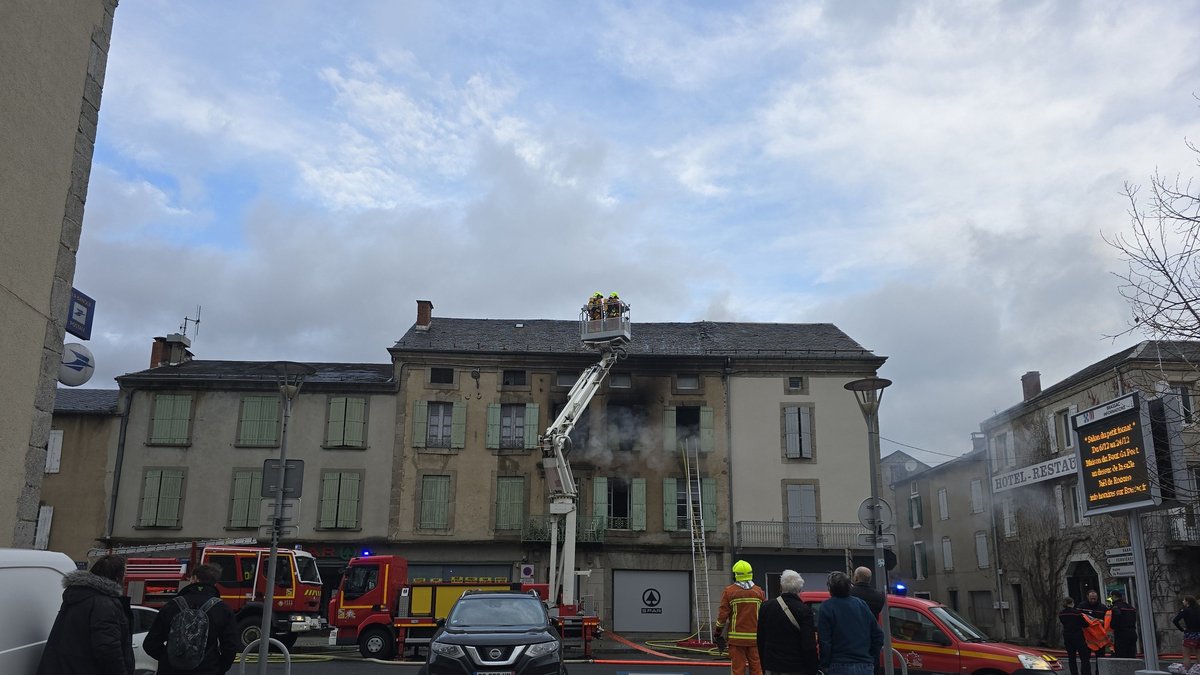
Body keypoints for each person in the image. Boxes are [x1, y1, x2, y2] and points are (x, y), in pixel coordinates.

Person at [37, 554, 135, 675]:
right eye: (124, 574)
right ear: (116, 577)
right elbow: (108, 649)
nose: (125, 578)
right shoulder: (104, 604)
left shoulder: (78, 595)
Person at [144, 563, 238, 675]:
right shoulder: (223, 609)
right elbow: (230, 647)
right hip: (208, 669)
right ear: (215, 583)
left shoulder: (172, 605)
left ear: (194, 578)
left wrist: (168, 659)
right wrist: (217, 667)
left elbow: (150, 644)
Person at [817, 571, 884, 675]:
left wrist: (825, 664)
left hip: (838, 664)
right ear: (849, 586)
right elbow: (878, 635)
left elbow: (825, 641)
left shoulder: (826, 607)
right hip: (864, 665)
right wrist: (872, 658)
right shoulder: (861, 604)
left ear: (830, 588)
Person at [757, 570, 819, 675]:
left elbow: (761, 640)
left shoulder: (766, 607)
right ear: (800, 589)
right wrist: (812, 669)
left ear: (781, 587)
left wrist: (764, 666)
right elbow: (809, 645)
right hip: (796, 667)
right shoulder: (804, 611)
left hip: (772, 666)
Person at [715, 560, 765, 675]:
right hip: (755, 639)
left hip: (736, 640)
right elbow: (764, 614)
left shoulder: (729, 591)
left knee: (738, 670)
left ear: (735, 575)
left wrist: (717, 633)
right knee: (757, 670)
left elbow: (722, 616)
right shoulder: (759, 592)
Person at [1060, 597, 1093, 675]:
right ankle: (1085, 673)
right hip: (1077, 636)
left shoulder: (1061, 613)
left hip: (1067, 636)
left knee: (1071, 658)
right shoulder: (1077, 613)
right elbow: (1085, 624)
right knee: (1084, 657)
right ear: (1072, 603)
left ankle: (1074, 673)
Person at [1078, 590, 1109, 658]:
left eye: (1094, 598)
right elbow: (1078, 619)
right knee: (1085, 657)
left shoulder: (1102, 607)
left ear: (1097, 597)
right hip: (1086, 636)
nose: (1093, 600)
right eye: (1091, 598)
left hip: (1098, 636)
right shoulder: (1082, 606)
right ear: (1087, 597)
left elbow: (1108, 620)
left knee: (1100, 657)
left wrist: (1103, 621)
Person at [1107, 590, 1138, 658]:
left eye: (1111, 597)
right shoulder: (1130, 607)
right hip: (1132, 633)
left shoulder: (1116, 607)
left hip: (1121, 635)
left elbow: (1115, 620)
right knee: (1131, 655)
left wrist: (1113, 626)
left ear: (1114, 596)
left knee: (1121, 657)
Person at [1172, 595, 1200, 669]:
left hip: (1189, 634)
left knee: (1187, 656)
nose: (1183, 601)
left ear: (1188, 602)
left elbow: (1175, 620)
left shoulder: (1185, 610)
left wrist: (1182, 629)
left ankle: (1186, 671)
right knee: (1199, 654)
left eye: (1184, 600)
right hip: (1199, 634)